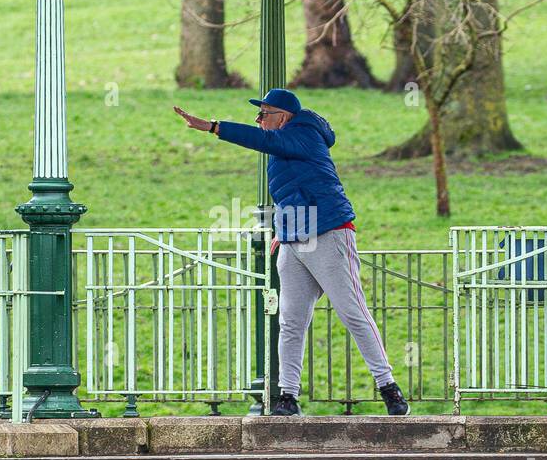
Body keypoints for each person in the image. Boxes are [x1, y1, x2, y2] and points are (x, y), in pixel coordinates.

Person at [174, 88, 410, 417]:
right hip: (293, 240)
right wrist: (281, 232)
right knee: (291, 322)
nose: (258, 120)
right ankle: (288, 396)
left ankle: (388, 387)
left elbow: (267, 142)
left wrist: (214, 127)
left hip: (328, 234)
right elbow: (292, 194)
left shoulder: (303, 135)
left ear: (283, 117)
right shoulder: (285, 144)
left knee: (352, 313)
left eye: (264, 114)